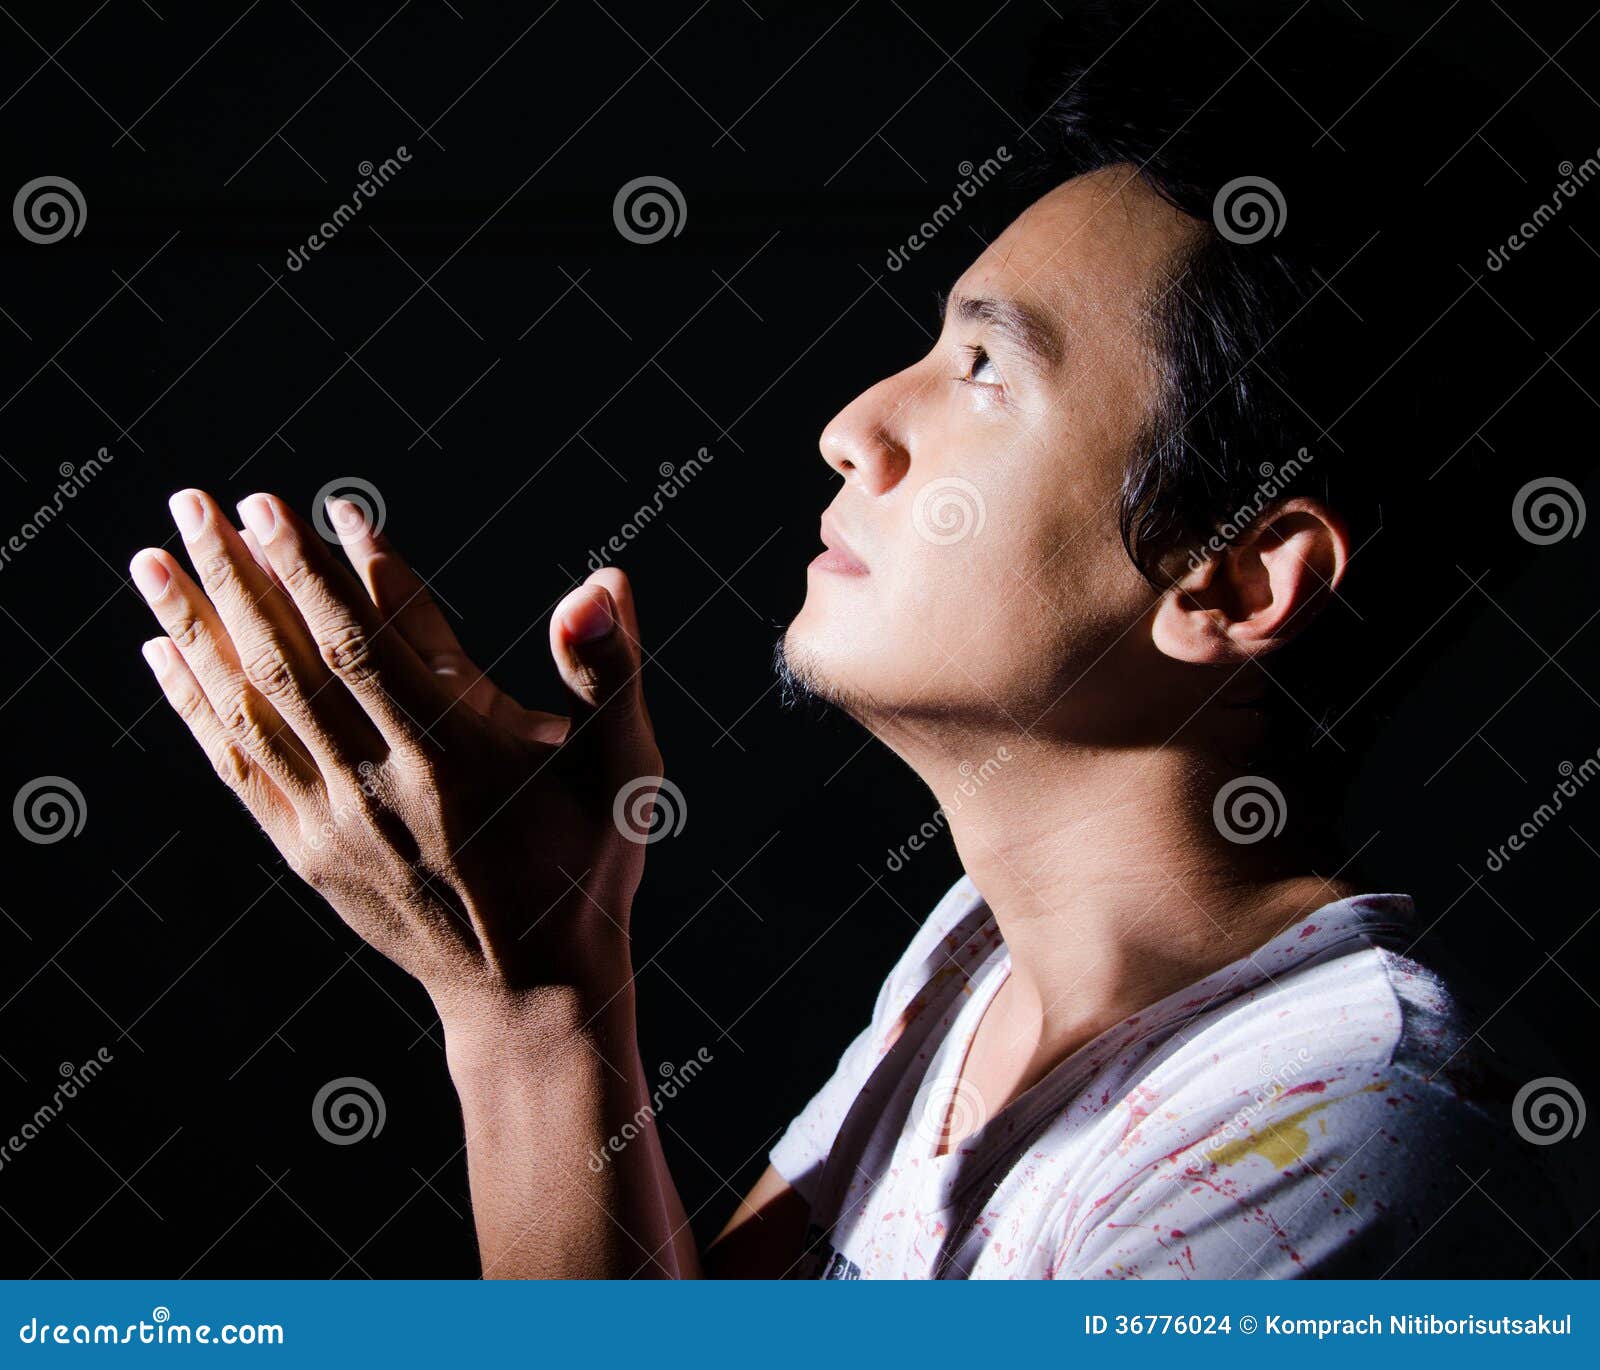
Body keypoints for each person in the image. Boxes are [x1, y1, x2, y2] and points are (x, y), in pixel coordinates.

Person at [125, 3, 1585, 1278]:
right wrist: (546, 956)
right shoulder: (983, 964)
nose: (854, 428)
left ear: (1239, 577)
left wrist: (526, 1011)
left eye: (986, 369)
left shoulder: (1331, 1147)